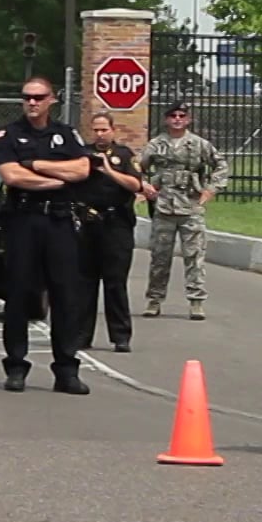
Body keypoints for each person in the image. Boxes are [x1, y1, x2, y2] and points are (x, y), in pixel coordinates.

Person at [0, 76, 94, 395]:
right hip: (24, 219)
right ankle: (17, 366)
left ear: (53, 99)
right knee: (20, 293)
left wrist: (35, 165)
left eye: (39, 97)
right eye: (27, 97)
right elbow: (12, 175)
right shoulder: (9, 134)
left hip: (60, 221)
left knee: (65, 295)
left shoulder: (65, 134)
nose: (32, 102)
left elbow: (82, 170)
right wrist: (55, 178)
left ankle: (66, 370)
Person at [137, 102, 231, 320]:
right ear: (166, 119)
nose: (177, 119)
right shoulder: (156, 144)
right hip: (164, 208)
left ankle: (196, 301)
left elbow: (221, 165)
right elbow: (137, 168)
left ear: (188, 119)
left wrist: (211, 190)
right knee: (160, 257)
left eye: (182, 115)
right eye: (173, 115)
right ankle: (154, 299)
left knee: (195, 256)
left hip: (191, 207)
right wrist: (145, 186)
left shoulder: (198, 144)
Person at [75, 112, 142, 354]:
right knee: (85, 283)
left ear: (113, 130)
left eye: (104, 129)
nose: (100, 134)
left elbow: (136, 185)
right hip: (89, 223)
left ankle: (120, 336)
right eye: (96, 130)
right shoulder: (83, 154)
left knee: (115, 283)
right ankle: (82, 334)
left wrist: (108, 170)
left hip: (117, 225)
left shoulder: (124, 156)